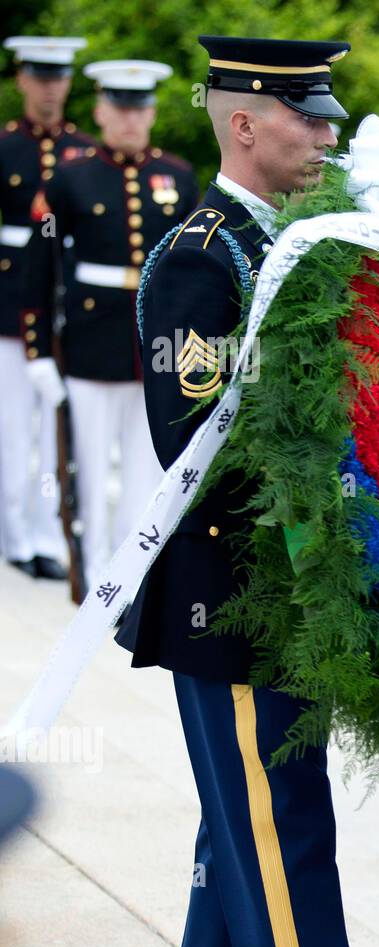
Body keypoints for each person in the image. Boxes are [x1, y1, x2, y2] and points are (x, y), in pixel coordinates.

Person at [114, 36, 354, 947]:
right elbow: (197, 443)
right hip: (237, 596)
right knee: (279, 840)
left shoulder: (285, 247)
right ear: (246, 124)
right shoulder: (203, 260)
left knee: (241, 846)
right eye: (308, 115)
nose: (327, 134)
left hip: (286, 598)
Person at [22, 59, 197, 593]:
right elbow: (41, 265)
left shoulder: (179, 176)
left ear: (151, 114)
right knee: (91, 471)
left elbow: (191, 268)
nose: (130, 120)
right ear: (99, 111)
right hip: (90, 348)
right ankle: (94, 573)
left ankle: (135, 577)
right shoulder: (70, 180)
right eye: (119, 108)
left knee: (148, 473)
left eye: (140, 108)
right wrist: (39, 353)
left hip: (155, 350)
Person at [0, 36, 93, 580]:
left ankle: (47, 533)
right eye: (40, 75)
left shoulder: (84, 152)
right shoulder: (5, 147)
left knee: (56, 427)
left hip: (68, 303)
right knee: (15, 426)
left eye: (58, 76)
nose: (49, 87)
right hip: (10, 303)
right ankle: (18, 536)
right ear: (22, 80)